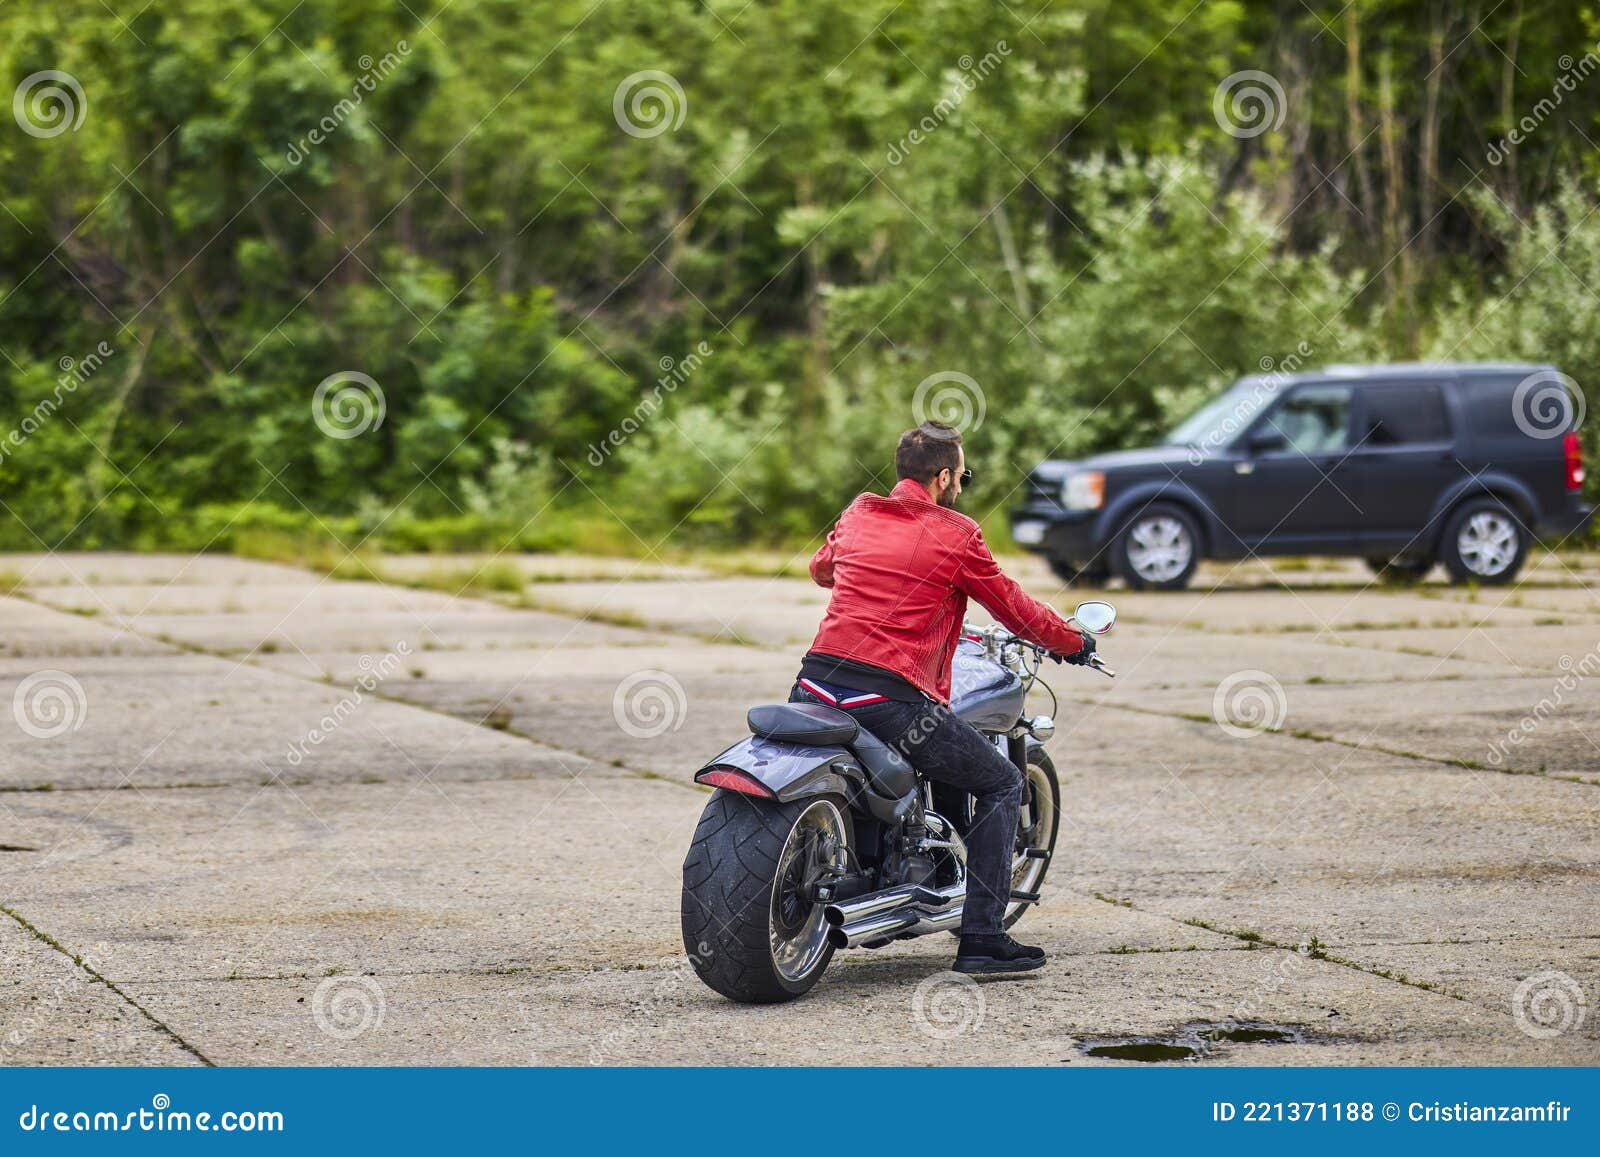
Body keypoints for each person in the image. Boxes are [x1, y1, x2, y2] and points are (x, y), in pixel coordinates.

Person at [791, 420, 1096, 975]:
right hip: (888, 698)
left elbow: (822, 570)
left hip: (814, 683)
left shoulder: (859, 512)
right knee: (1002, 781)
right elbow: (1015, 608)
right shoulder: (956, 533)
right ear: (946, 475)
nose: (962, 485)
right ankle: (982, 938)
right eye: (963, 476)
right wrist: (1074, 641)